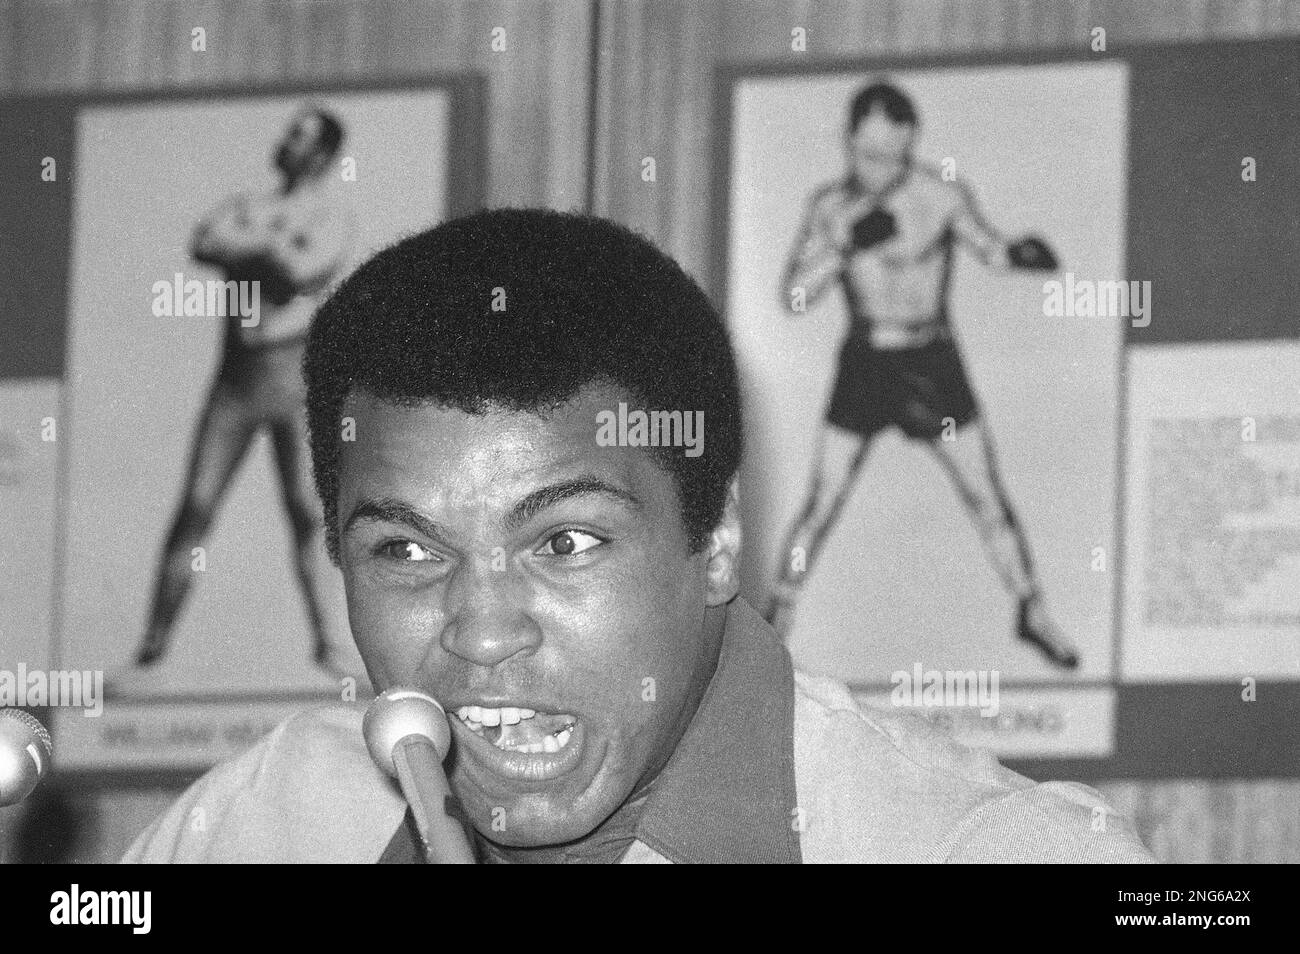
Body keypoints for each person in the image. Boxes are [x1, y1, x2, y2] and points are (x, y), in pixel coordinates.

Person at [123, 209, 1151, 863]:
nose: (481, 635)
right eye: (407, 550)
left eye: (564, 543)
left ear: (717, 538)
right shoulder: (252, 831)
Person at [765, 80, 1079, 669]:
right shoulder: (830, 208)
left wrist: (1023, 255)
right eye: (869, 156)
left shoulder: (939, 195)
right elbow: (796, 298)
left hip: (929, 365)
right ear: (848, 141)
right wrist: (843, 246)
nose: (881, 170)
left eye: (894, 157)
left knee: (985, 494)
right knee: (822, 500)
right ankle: (776, 617)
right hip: (865, 364)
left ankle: (1032, 609)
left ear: (910, 146)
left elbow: (990, 250)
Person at [131, 106, 355, 676]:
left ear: (324, 155)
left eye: (302, 137)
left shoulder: (331, 214)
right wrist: (263, 246)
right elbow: (205, 240)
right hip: (235, 379)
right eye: (289, 132)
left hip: (294, 376)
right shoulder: (251, 204)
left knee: (307, 511)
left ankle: (331, 646)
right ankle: (153, 645)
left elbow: (297, 273)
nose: (288, 142)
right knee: (196, 507)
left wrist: (251, 249)